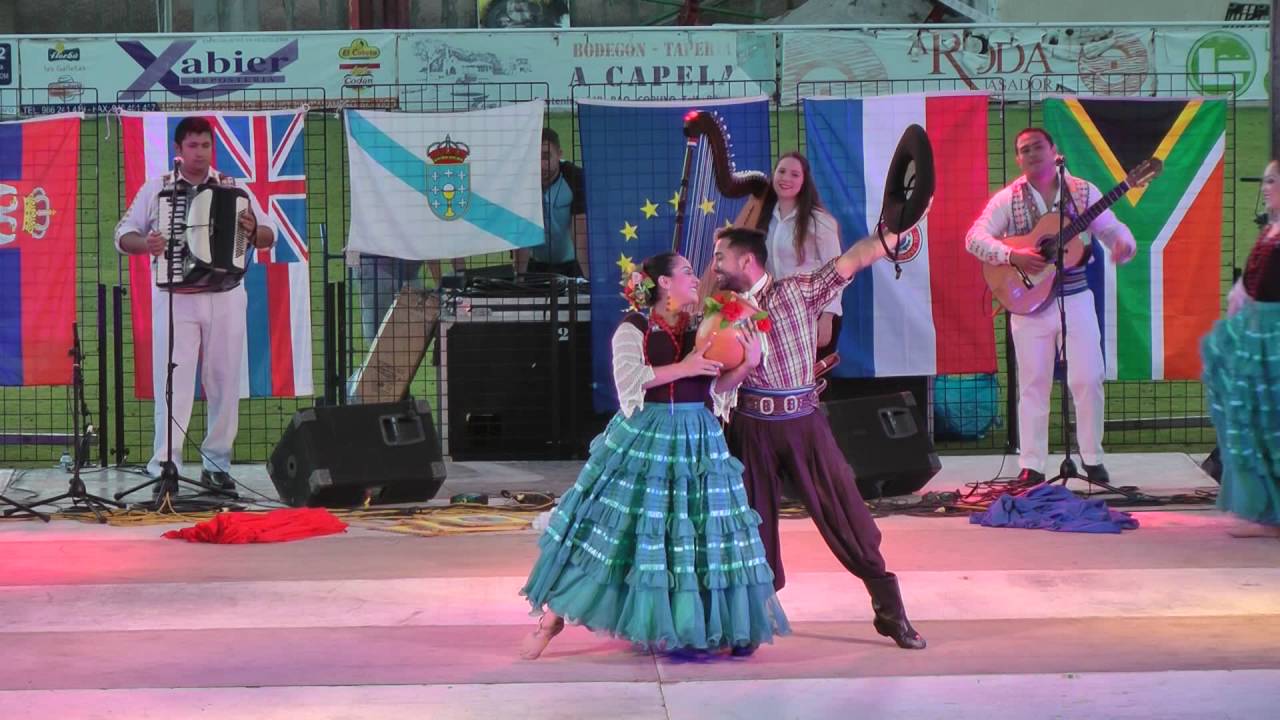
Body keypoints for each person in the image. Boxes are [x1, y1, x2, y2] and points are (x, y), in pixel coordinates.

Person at [519, 252, 789, 659]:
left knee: (702, 536)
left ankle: (707, 625)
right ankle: (552, 619)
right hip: (649, 436)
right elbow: (631, 383)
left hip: (698, 437)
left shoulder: (705, 327)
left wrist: (747, 364)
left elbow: (715, 388)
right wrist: (685, 367)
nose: (695, 280)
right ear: (663, 283)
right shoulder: (634, 328)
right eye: (685, 273)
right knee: (616, 534)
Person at [714, 225, 926, 650]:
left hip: (803, 424)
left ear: (745, 261)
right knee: (751, 522)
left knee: (844, 510)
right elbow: (715, 377)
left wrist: (888, 239)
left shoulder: (796, 290)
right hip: (751, 425)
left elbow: (853, 260)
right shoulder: (721, 311)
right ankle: (754, 620)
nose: (714, 264)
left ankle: (890, 610)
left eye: (720, 257)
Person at [965, 128, 1137, 486]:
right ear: (1017, 159)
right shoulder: (1007, 198)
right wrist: (1012, 254)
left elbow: (1111, 228)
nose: (1031, 154)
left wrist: (1124, 244)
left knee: (1088, 376)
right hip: (1027, 305)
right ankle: (1032, 464)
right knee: (1033, 383)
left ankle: (1091, 458)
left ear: (1054, 151)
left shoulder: (1082, 191)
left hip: (1075, 297)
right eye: (1023, 150)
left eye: (1037, 147)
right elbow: (974, 238)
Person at [115, 116, 274, 492]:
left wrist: (252, 231)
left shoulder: (235, 188)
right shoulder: (158, 189)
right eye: (192, 146)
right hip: (176, 298)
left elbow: (269, 236)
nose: (200, 153)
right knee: (173, 382)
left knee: (223, 381)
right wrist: (147, 244)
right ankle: (165, 466)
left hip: (226, 295)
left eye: (205, 146)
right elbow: (122, 234)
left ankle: (216, 465)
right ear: (178, 150)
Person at [1201, 158, 1280, 539]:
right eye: (1265, 180)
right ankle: (1268, 506)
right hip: (1258, 332)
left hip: (1274, 333)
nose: (1265, 187)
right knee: (1258, 420)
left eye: (1272, 181)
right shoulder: (1271, 229)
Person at [762, 152, 844, 359]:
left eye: (794, 174)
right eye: (781, 171)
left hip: (813, 314)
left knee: (814, 386)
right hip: (778, 317)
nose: (786, 178)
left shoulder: (820, 221)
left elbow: (838, 272)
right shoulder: (763, 219)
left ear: (804, 181)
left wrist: (827, 316)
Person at [516, 128, 587, 278]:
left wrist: (588, 278)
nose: (541, 165)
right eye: (535, 157)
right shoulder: (522, 180)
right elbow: (522, 232)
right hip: (535, 265)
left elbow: (580, 232)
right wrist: (520, 277)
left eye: (546, 156)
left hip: (572, 265)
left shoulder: (575, 177)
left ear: (560, 154)